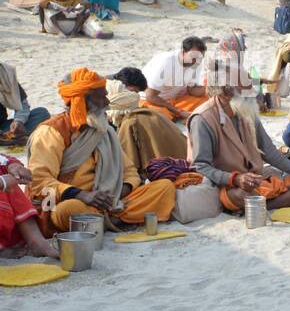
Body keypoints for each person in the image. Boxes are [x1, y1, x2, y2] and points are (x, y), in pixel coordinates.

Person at [27, 68, 177, 233]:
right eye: (102, 97)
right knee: (68, 210)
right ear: (82, 101)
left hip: (110, 201)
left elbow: (129, 171)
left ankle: (105, 219)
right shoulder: (51, 132)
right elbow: (39, 182)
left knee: (164, 187)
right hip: (73, 201)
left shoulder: (103, 128)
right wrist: (84, 196)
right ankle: (111, 219)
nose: (107, 103)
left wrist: (117, 194)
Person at [187, 53, 290, 214]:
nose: (252, 90)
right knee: (243, 195)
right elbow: (201, 167)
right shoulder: (202, 119)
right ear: (225, 92)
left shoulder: (246, 109)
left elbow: (271, 154)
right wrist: (235, 179)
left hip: (255, 179)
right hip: (226, 187)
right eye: (245, 86)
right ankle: (256, 203)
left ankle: (258, 204)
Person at [108, 65, 188, 180]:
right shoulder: (106, 101)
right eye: (131, 92)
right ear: (119, 88)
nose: (133, 97)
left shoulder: (131, 120)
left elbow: (127, 165)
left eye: (136, 94)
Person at [0, 153, 58, 257]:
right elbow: (42, 179)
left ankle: (36, 242)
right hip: (54, 193)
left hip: (60, 192)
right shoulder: (46, 138)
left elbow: (4, 160)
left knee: (7, 179)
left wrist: (14, 167)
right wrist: (2, 182)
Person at [141, 36, 208, 120]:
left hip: (176, 99)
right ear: (183, 52)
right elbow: (150, 96)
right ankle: (176, 114)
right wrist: (179, 112)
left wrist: (210, 89)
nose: (197, 61)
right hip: (155, 101)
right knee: (159, 116)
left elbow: (192, 90)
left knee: (208, 101)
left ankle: (176, 114)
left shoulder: (196, 62)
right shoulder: (166, 62)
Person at [0, 61, 50, 144]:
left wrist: (19, 121)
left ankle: (10, 139)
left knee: (42, 113)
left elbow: (23, 105)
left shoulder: (4, 74)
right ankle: (11, 140)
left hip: (4, 127)